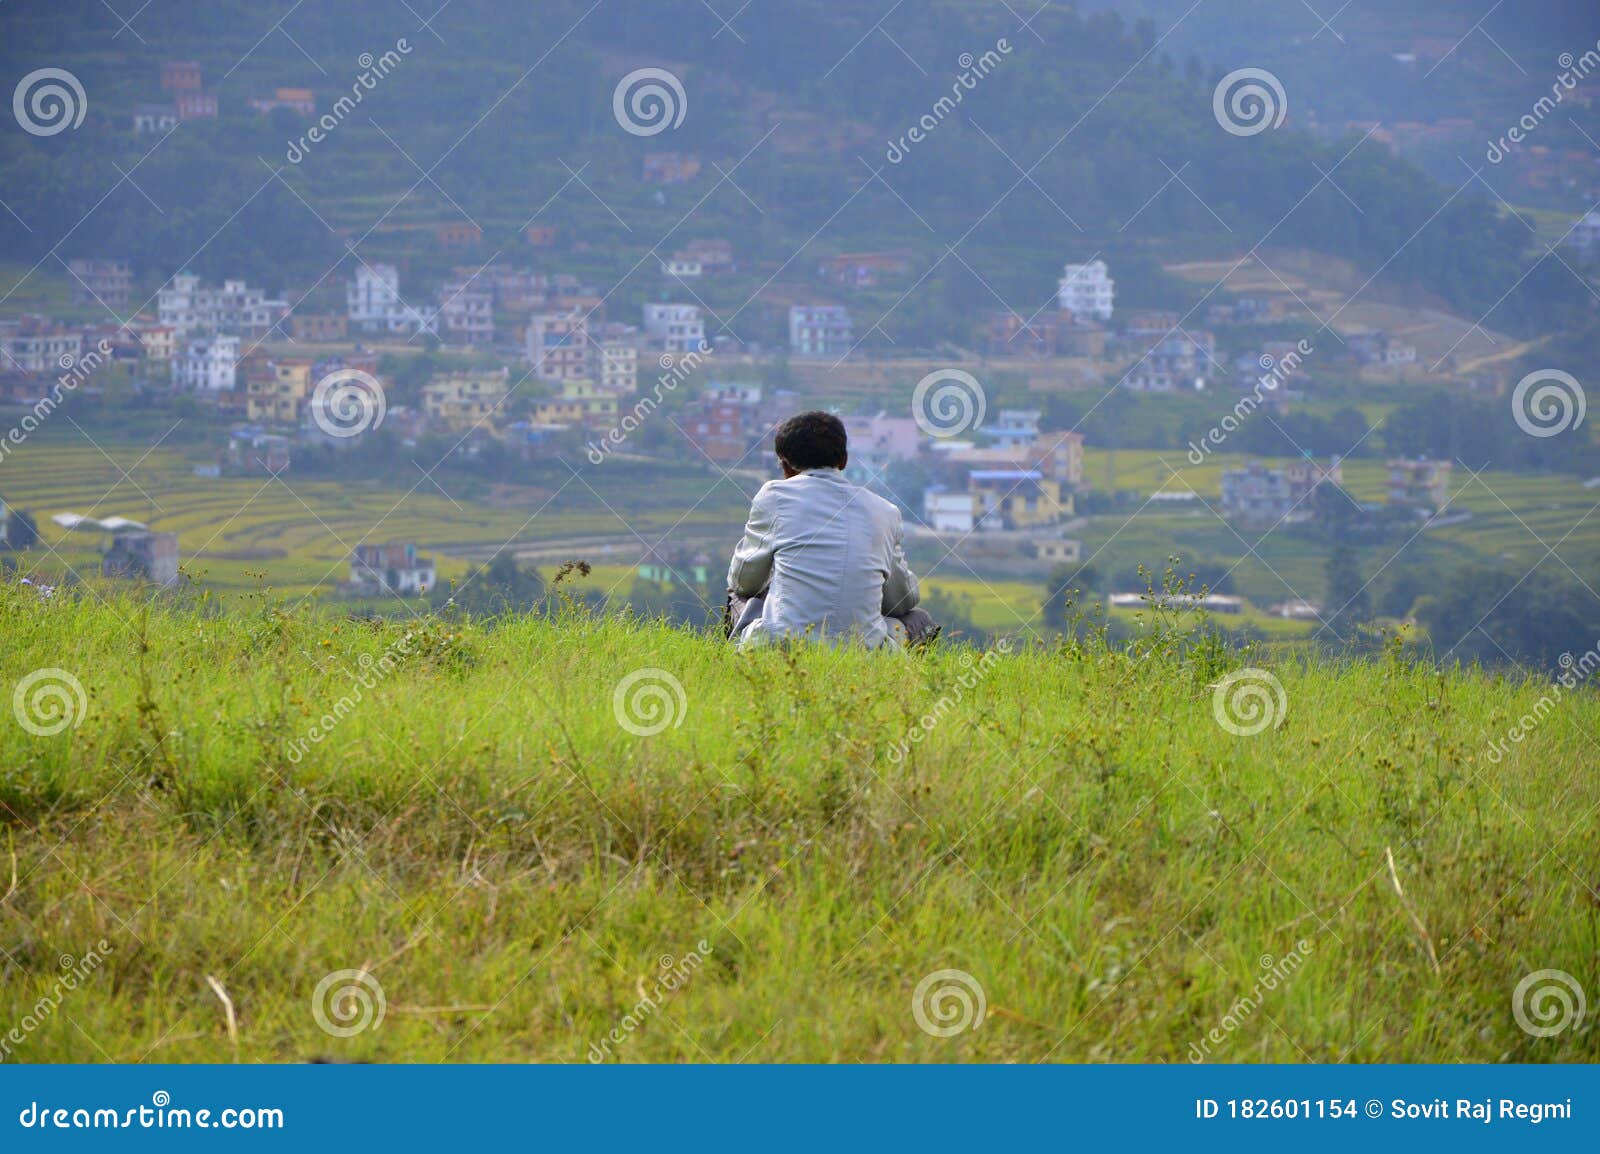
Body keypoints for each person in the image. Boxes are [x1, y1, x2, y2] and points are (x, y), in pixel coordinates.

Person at [726, 410, 937, 648]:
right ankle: (903, 683)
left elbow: (744, 581)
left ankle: (741, 670)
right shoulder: (885, 512)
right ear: (844, 460)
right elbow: (902, 601)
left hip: (780, 648)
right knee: (921, 621)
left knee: (739, 598)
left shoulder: (774, 497)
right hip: (865, 653)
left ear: (784, 466)